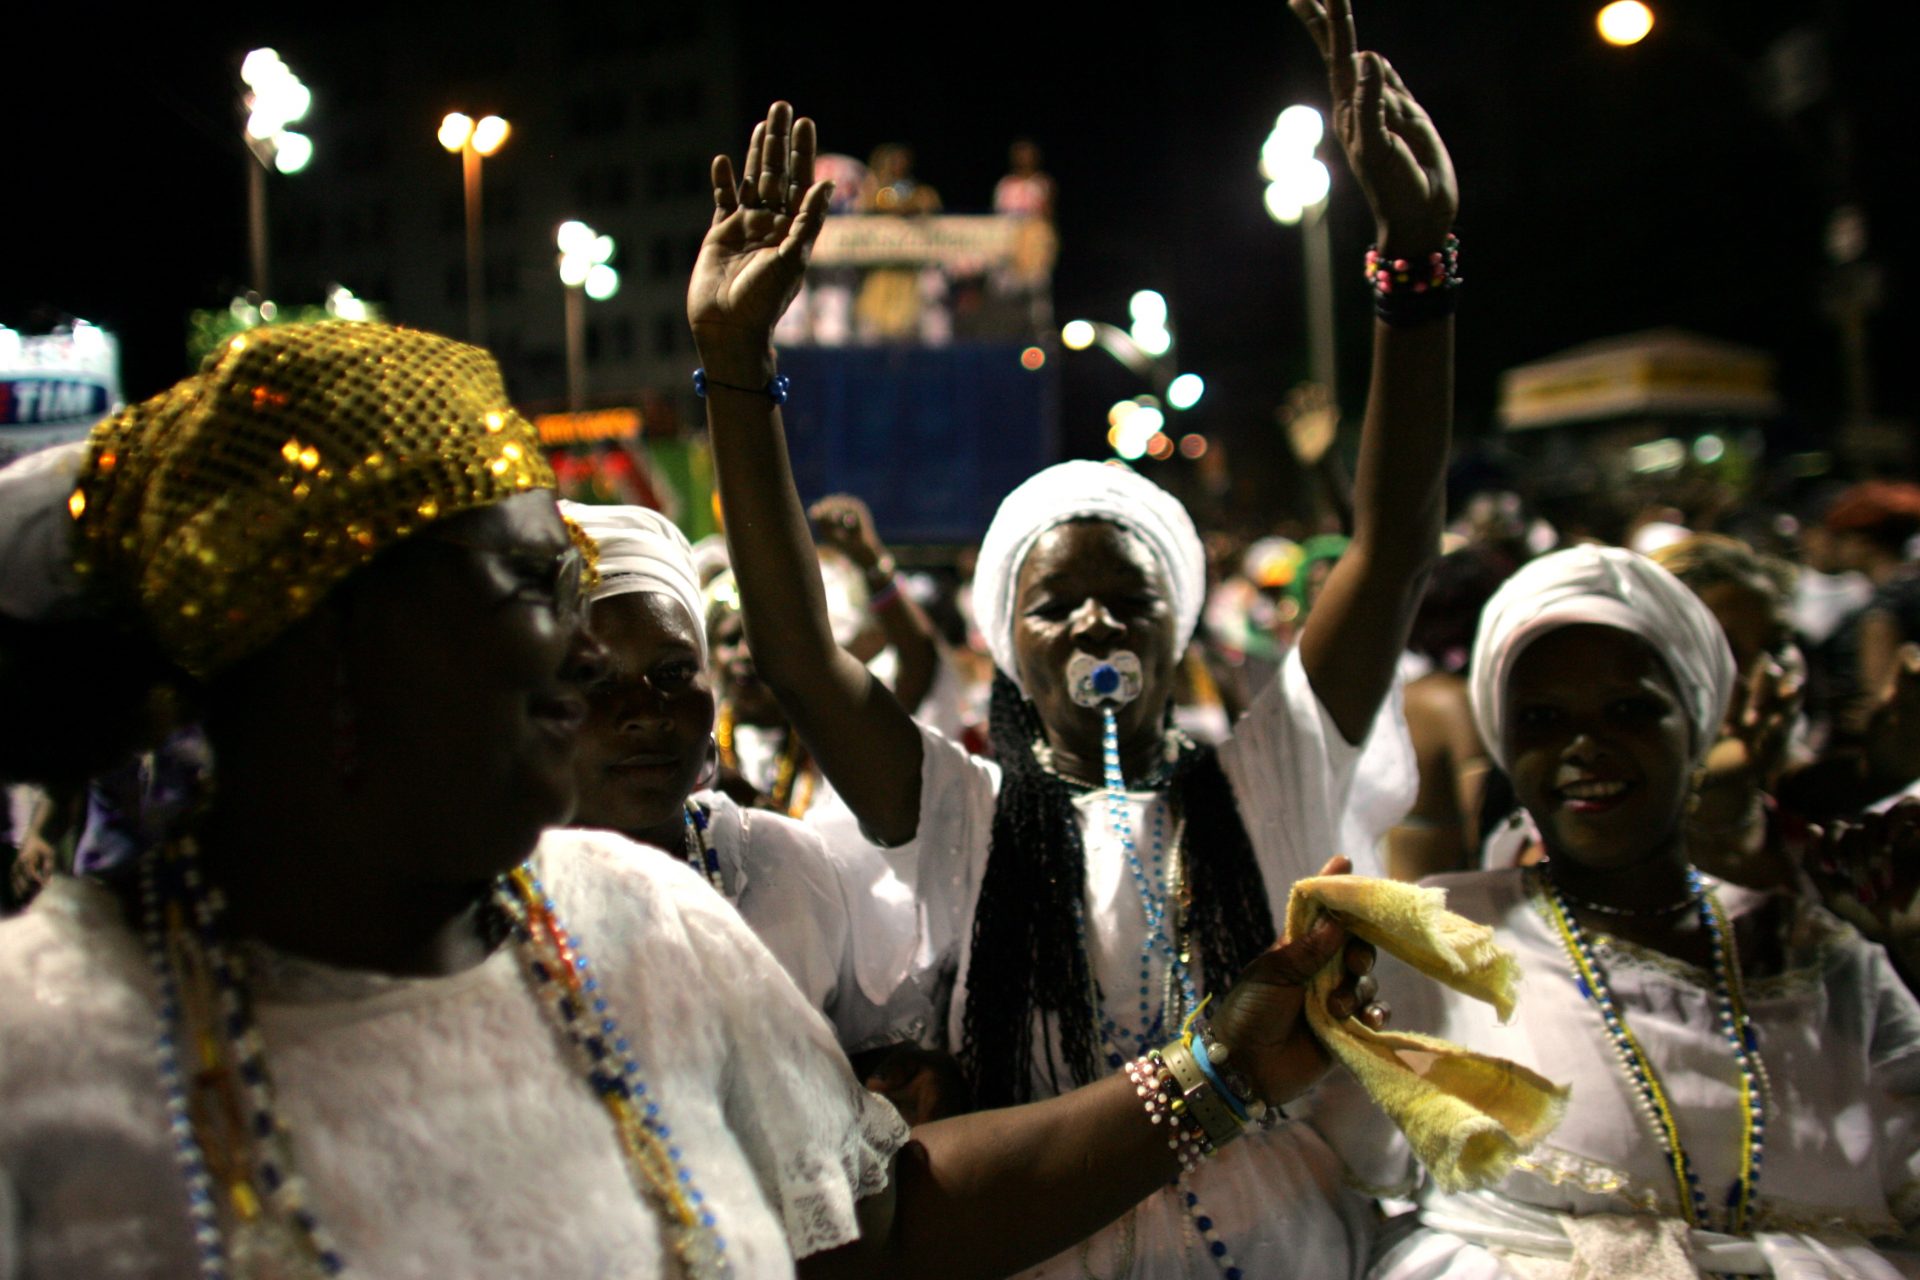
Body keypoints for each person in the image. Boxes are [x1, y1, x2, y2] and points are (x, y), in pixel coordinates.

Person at [0, 328, 1388, 1277]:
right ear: (322, 652)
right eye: (526, 593)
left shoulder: (640, 925)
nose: (587, 657)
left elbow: (880, 1231)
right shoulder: (40, 1047)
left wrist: (1215, 1072)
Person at [691, 0, 1457, 1268]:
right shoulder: (959, 810)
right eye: (1055, 600)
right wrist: (732, 360)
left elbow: (1390, 549)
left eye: (1127, 591)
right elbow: (797, 651)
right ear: (1003, 642)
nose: (1094, 614)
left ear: (1179, 617)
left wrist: (1416, 268)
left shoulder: (1268, 775)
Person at [1318, 545, 1920, 1278]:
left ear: (1695, 723)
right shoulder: (1438, 947)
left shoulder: (1819, 956)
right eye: (1541, 717)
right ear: (1506, 743)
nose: (1584, 747)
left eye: (1629, 710)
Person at [561, 501, 955, 1113]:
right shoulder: (482, 905)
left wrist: (890, 1080)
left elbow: (863, 1052)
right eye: (594, 679)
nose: (643, 710)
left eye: (671, 671)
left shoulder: (780, 863)